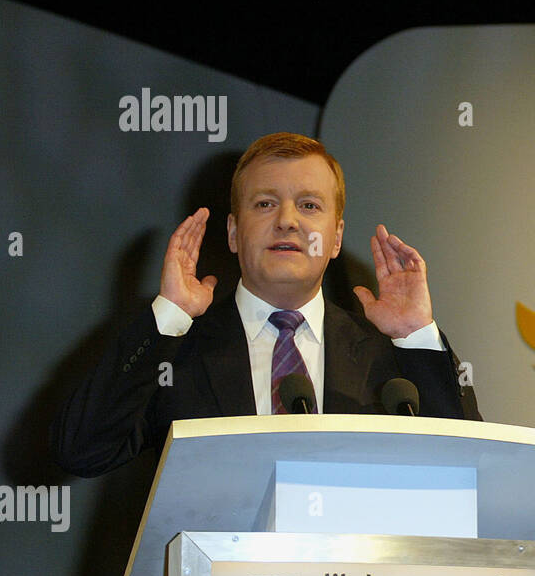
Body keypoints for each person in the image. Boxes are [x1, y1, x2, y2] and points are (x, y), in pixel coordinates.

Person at [51, 133, 480, 478]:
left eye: (309, 205)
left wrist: (415, 335)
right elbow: (82, 451)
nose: (288, 220)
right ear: (234, 233)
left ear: (335, 238)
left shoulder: (388, 354)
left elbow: (473, 473)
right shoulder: (178, 348)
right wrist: (169, 316)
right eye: (265, 203)